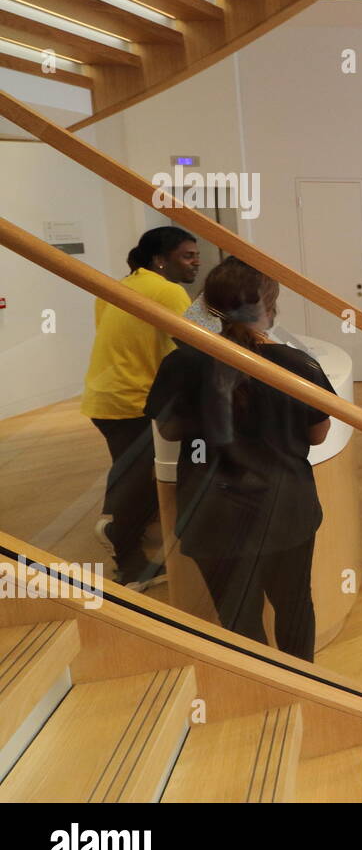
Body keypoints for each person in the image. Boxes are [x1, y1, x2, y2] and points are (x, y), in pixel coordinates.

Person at [146, 259, 332, 661]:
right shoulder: (300, 365)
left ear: (208, 304)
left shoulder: (181, 364)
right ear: (271, 305)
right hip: (285, 506)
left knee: (237, 616)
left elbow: (168, 431)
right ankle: (306, 687)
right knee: (295, 604)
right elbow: (318, 434)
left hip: (211, 513)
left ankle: (260, 691)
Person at [83, 226, 198, 588]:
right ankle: (128, 562)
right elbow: (200, 342)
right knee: (143, 478)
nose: (196, 262)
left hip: (103, 396)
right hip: (132, 399)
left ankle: (115, 523)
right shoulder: (169, 292)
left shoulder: (117, 287)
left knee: (131, 469)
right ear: (160, 261)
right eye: (187, 256)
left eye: (196, 255)